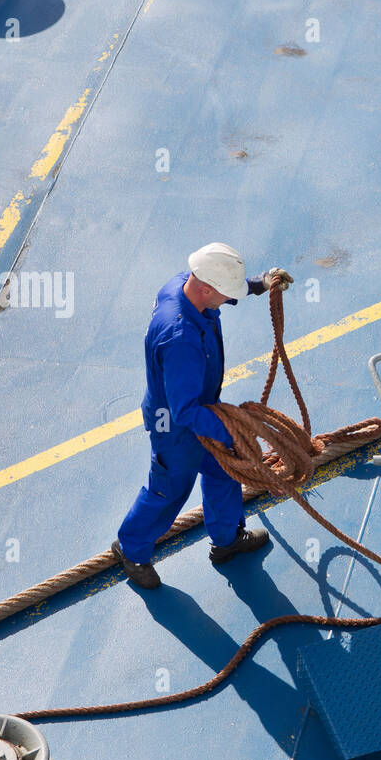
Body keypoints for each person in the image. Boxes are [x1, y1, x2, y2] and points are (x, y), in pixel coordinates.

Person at [112, 242, 294, 589]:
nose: (229, 301)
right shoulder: (180, 338)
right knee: (169, 490)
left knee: (224, 471)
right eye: (226, 295)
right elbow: (184, 412)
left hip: (201, 406)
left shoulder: (183, 283)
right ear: (207, 289)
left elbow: (218, 288)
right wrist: (233, 432)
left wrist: (258, 284)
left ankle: (226, 541)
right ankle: (131, 549)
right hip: (176, 426)